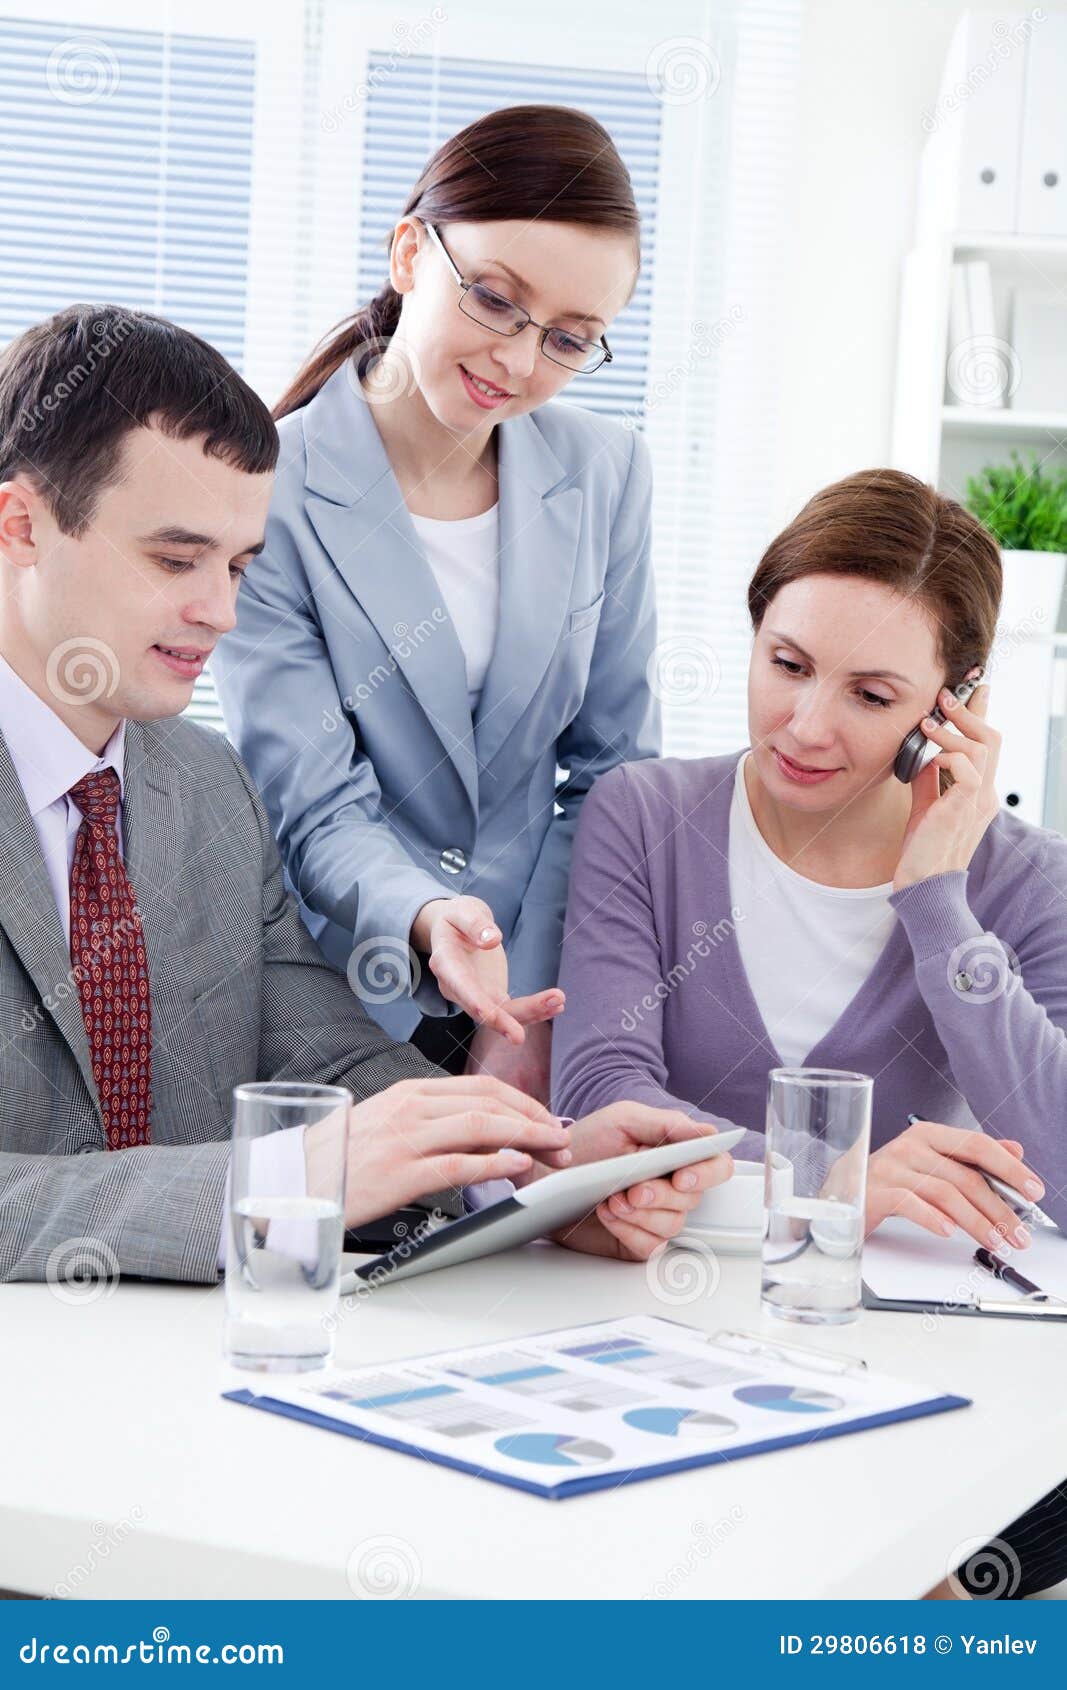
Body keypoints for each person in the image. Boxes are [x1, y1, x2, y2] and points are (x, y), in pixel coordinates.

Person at [0, 304, 731, 1285]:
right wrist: (276, 1179)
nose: (219, 610)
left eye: (240, 564)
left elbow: (332, 1068)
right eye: (175, 560)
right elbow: (294, 1163)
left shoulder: (213, 791)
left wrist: (534, 1173)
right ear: (21, 525)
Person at [552, 465, 1067, 1599]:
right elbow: (600, 1092)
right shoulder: (644, 817)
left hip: (901, 1368)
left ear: (952, 706)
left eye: (871, 696)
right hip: (663, 1334)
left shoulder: (1022, 883)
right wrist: (835, 1179)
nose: (805, 725)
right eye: (784, 664)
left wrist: (937, 904)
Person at [210, 104, 659, 1103]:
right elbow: (308, 799)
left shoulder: (604, 474)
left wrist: (530, 999)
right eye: (495, 300)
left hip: (538, 1005)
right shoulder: (268, 487)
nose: (516, 361)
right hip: (336, 996)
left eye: (569, 338)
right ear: (411, 252)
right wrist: (425, 916)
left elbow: (613, 774)